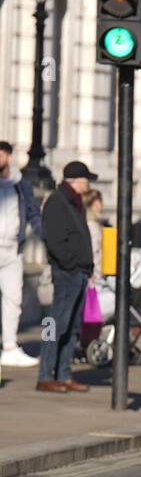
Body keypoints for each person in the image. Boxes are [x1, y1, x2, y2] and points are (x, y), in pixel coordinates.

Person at [38, 161, 97, 393]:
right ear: (76, 181)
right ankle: (45, 375)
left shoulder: (75, 202)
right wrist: (72, 266)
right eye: (86, 179)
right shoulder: (57, 201)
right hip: (67, 274)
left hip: (79, 273)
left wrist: (86, 269)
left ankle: (63, 374)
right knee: (55, 324)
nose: (89, 184)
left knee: (72, 327)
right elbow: (54, 240)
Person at [0, 140, 43, 368]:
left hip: (12, 250)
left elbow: (32, 212)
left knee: (13, 300)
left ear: (8, 156)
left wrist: (43, 234)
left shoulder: (20, 185)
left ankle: (9, 347)